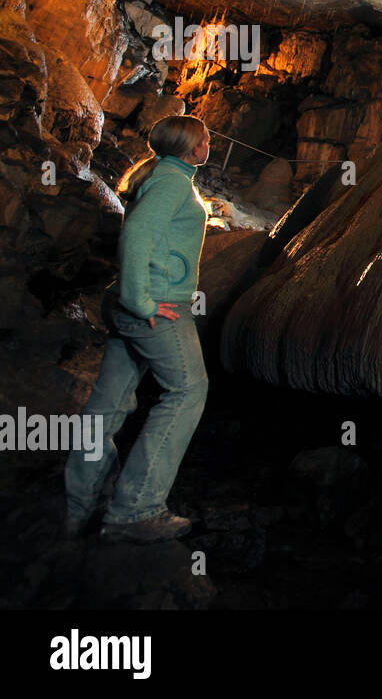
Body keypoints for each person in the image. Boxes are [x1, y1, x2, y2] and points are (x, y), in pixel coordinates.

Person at [64, 114, 211, 543]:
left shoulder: (164, 174)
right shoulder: (171, 181)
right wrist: (142, 302)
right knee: (187, 391)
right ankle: (135, 509)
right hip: (153, 304)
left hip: (132, 302)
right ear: (191, 148)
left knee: (107, 406)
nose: (209, 145)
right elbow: (137, 237)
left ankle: (80, 509)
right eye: (205, 139)